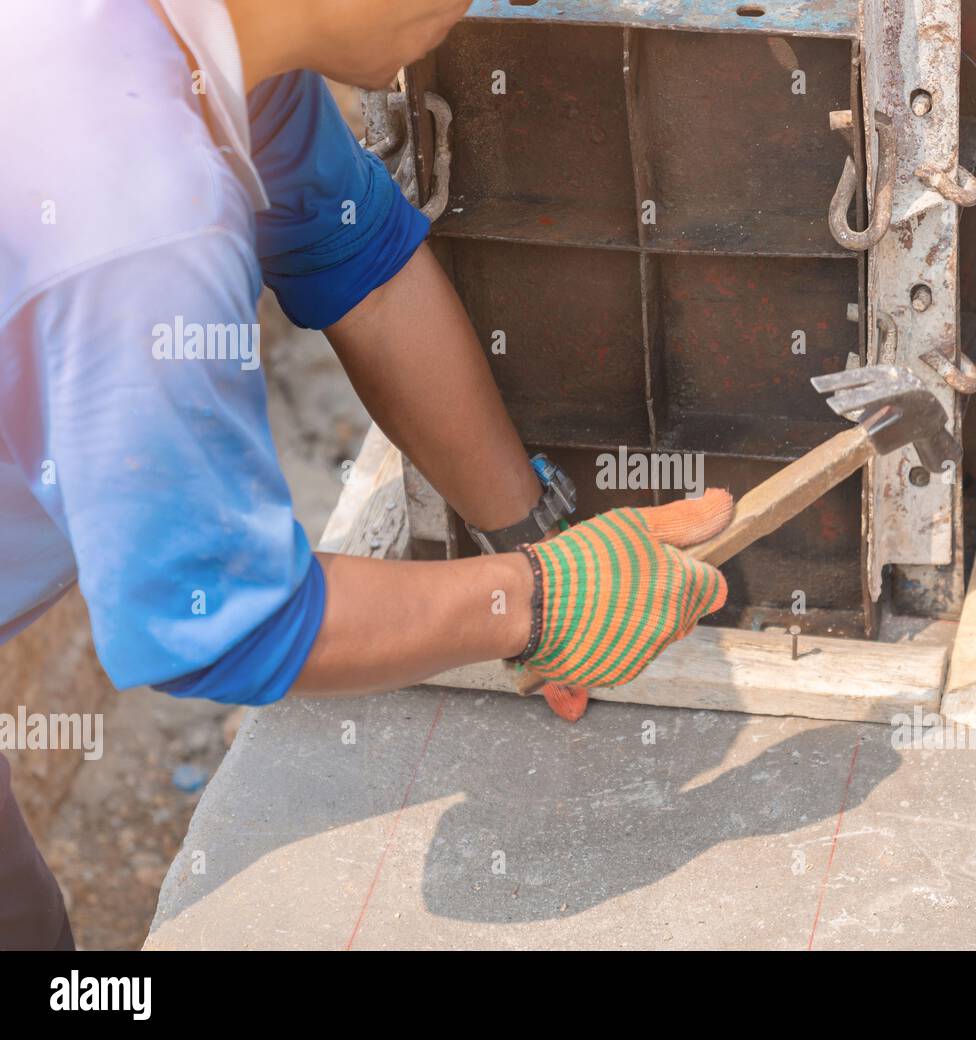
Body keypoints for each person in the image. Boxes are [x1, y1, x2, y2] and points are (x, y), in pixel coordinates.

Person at [0, 0, 731, 950]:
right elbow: (216, 619)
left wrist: (527, 532)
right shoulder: (140, 217)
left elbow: (361, 268)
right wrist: (535, 603)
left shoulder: (209, 43)